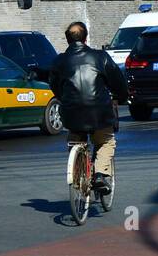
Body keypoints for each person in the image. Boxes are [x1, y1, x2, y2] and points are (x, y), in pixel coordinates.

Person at [49, 21, 129, 194]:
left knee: (75, 139)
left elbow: (54, 86)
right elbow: (117, 81)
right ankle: (100, 175)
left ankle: (78, 175)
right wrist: (121, 97)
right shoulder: (100, 57)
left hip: (72, 115)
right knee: (106, 141)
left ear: (68, 40)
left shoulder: (59, 61)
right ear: (85, 39)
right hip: (99, 114)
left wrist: (64, 99)